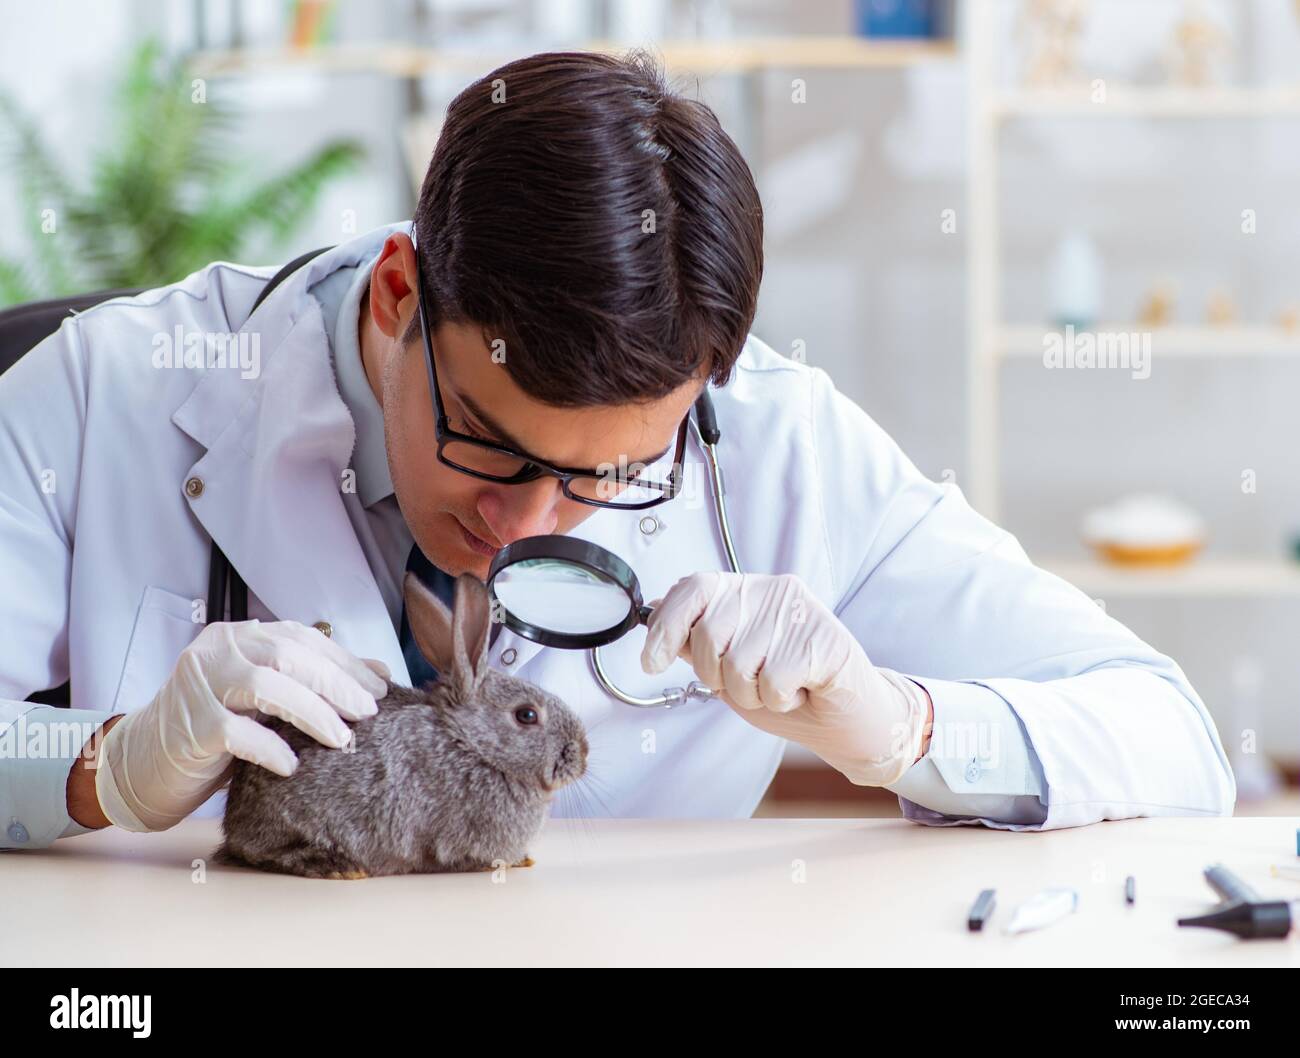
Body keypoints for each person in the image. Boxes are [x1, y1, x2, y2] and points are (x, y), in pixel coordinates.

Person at [0, 51, 1233, 849]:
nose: (530, 528)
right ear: (395, 295)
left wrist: (901, 722)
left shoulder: (777, 448)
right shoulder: (110, 390)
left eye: (609, 476)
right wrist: (100, 765)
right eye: (490, 443)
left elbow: (1170, 734)